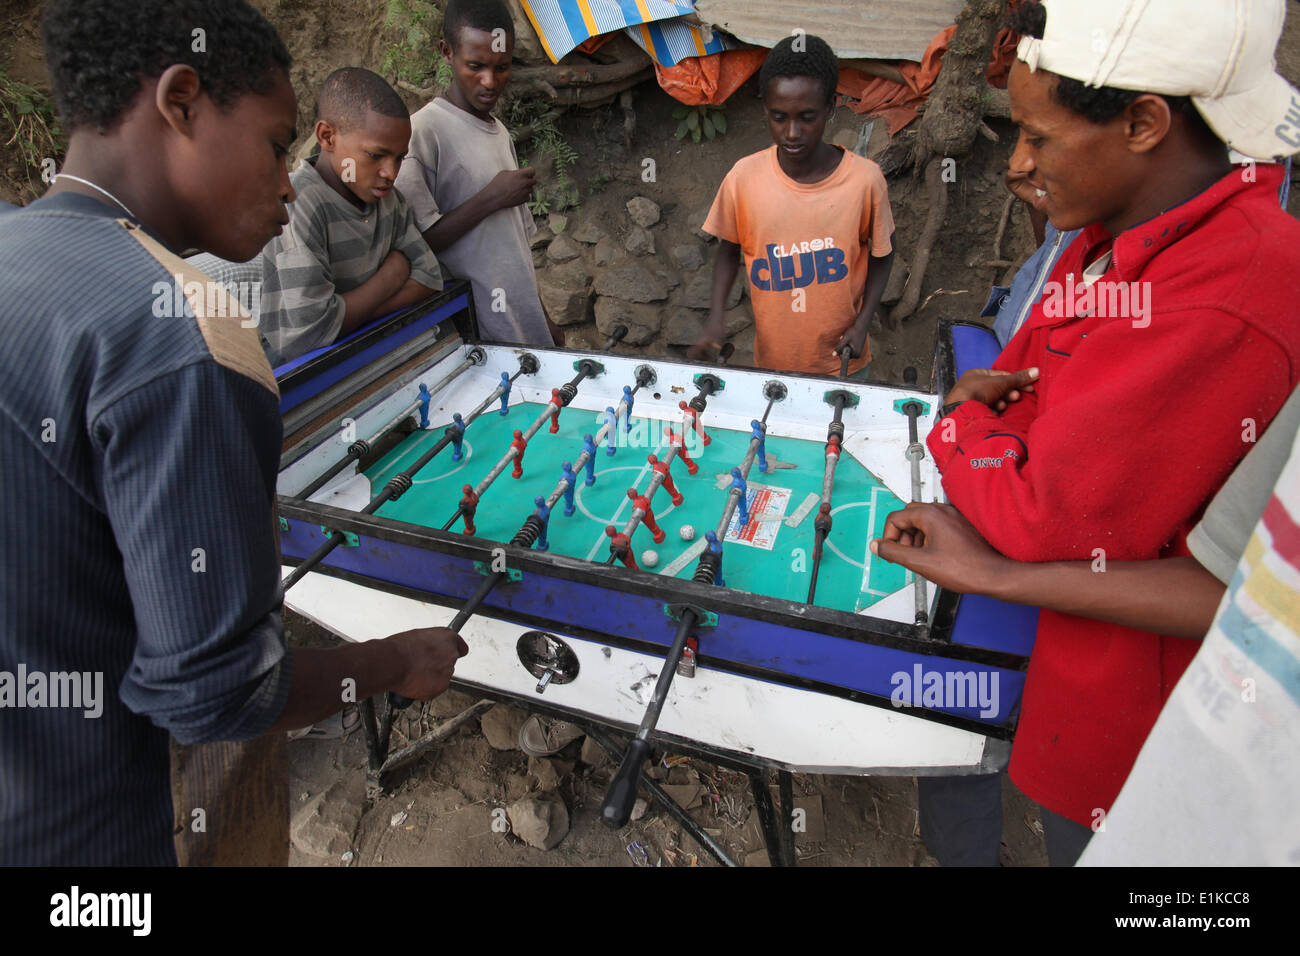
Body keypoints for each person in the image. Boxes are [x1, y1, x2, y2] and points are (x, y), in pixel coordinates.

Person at [0, 0, 466, 866]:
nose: (288, 182)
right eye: (272, 143)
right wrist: (394, 660)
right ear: (181, 102)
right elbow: (216, 696)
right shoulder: (185, 335)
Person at [903, 0, 1300, 866]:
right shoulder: (1117, 233)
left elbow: (1037, 514)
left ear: (1144, 122)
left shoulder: (1223, 297)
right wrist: (1004, 431)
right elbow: (1027, 375)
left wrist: (960, 423)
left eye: (1039, 138)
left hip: (1152, 743)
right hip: (1077, 662)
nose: (1016, 165)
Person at [874, 385, 1300, 864]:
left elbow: (1229, 585)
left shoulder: (1228, 322)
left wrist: (965, 427)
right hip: (1118, 692)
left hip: (1200, 747)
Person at [193, 67, 443, 366]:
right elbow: (310, 333)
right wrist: (392, 275)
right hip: (300, 375)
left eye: (399, 158)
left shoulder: (390, 202)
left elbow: (430, 279)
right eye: (376, 155)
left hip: (360, 351)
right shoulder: (300, 204)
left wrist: (344, 316)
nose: (391, 173)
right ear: (327, 136)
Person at [687, 33, 895, 376]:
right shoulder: (744, 178)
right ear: (766, 109)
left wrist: (862, 324)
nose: (792, 132)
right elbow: (728, 250)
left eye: (807, 117)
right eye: (779, 117)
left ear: (830, 107)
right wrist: (716, 318)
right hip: (773, 365)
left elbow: (884, 253)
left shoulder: (864, 181)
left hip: (844, 363)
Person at [393, 0, 558, 348]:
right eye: (476, 65)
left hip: (525, 327)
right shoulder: (422, 133)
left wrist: (545, 319)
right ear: (446, 52)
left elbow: (516, 251)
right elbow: (415, 246)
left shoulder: (499, 133)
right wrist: (491, 198)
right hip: (478, 337)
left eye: (502, 67)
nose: (490, 81)